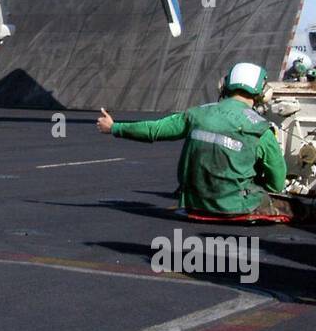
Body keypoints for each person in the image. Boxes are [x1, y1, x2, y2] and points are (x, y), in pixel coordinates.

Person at [96, 62, 290, 223]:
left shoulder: (197, 114)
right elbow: (277, 183)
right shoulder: (262, 129)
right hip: (238, 207)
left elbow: (154, 130)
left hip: (194, 204)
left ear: (224, 85)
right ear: (263, 94)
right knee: (297, 209)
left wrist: (114, 127)